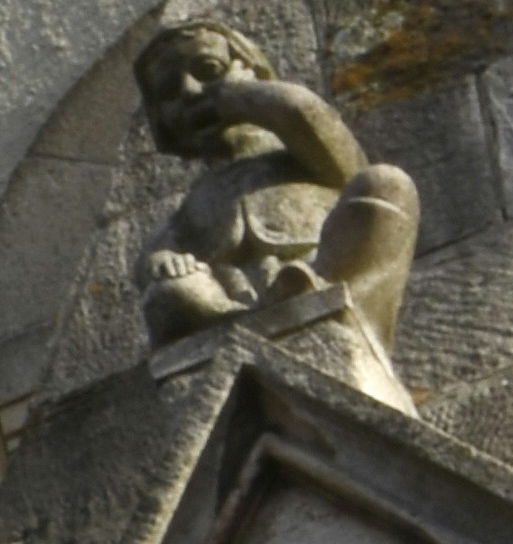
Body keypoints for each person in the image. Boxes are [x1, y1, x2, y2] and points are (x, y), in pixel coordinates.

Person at [132, 22, 420, 350]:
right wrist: (164, 261)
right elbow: (149, 260)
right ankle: (236, 322)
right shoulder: (198, 200)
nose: (190, 91)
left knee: (387, 184)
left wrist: (240, 95)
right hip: (235, 293)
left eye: (208, 70)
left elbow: (303, 112)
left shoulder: (301, 156)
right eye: (169, 93)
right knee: (167, 294)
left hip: (323, 265)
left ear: (250, 70)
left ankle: (320, 292)